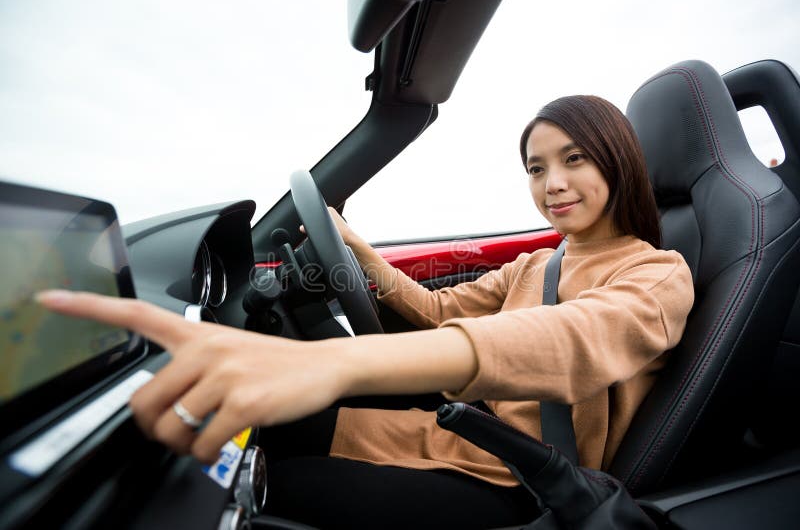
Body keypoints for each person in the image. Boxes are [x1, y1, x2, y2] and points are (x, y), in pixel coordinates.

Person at [37, 95, 694, 528]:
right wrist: (354, 249)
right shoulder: (539, 264)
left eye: (573, 160)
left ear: (617, 159)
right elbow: (437, 310)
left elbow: (567, 340)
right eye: (535, 167)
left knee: (270, 492)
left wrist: (336, 363)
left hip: (524, 476)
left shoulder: (656, 274)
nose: (551, 184)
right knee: (261, 432)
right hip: (462, 435)